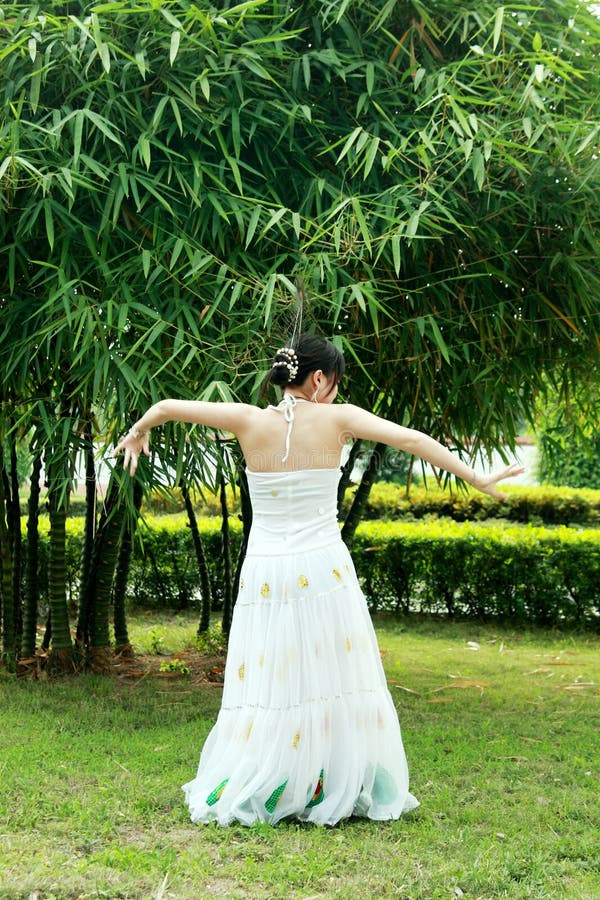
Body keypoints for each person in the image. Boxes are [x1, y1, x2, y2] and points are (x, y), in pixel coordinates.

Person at [115, 333, 524, 826]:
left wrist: (138, 430)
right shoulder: (338, 418)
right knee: (331, 673)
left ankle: (280, 778)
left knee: (271, 676)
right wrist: (475, 477)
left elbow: (165, 405)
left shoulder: (246, 418)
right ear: (318, 379)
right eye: (334, 382)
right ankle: (328, 779)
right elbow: (412, 439)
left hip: (265, 570)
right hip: (322, 568)